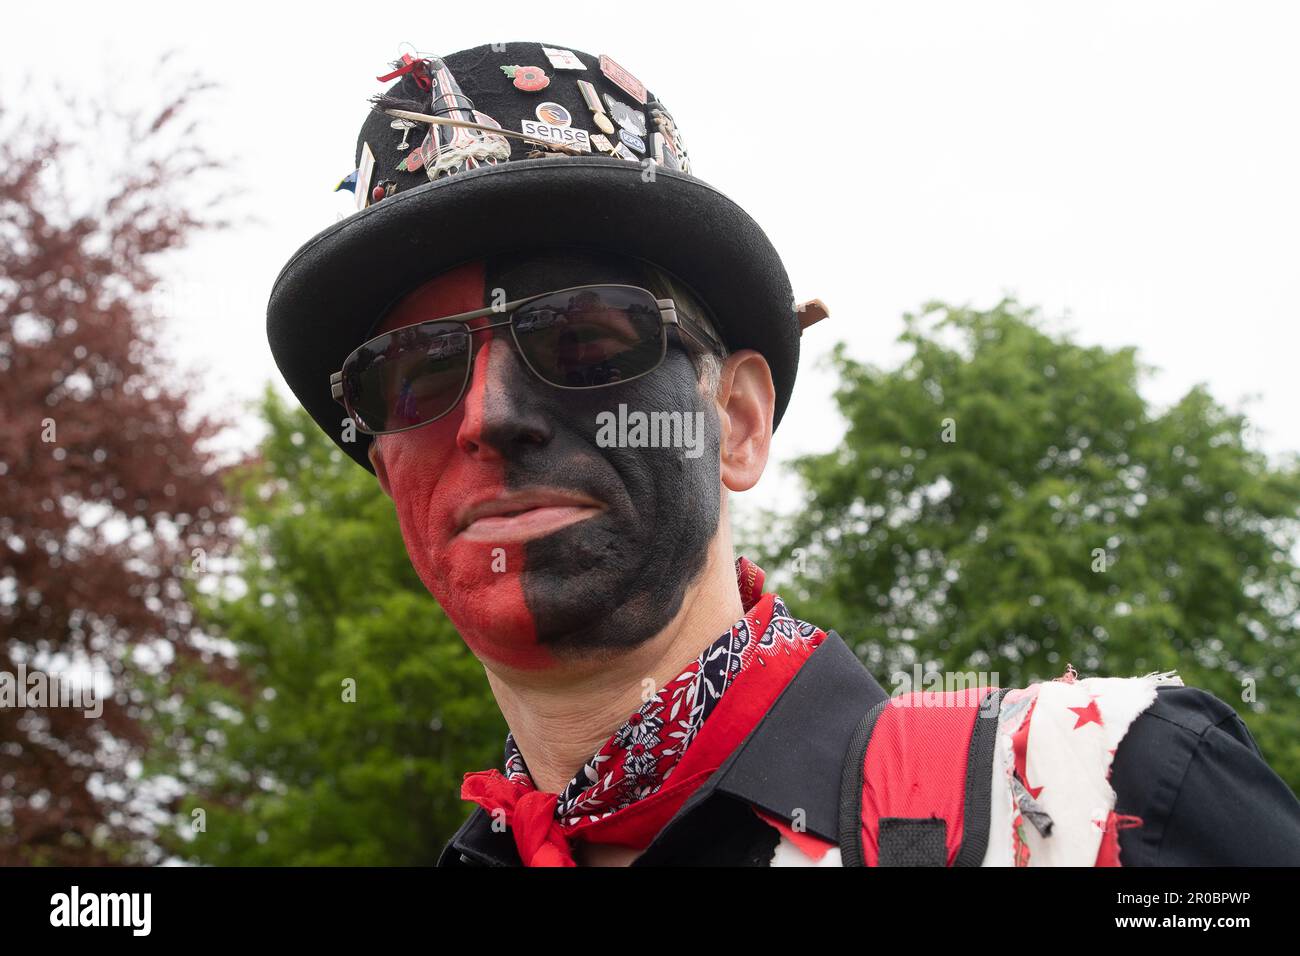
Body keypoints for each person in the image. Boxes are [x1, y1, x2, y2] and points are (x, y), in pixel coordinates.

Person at [267, 41, 1300, 866]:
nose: (486, 415)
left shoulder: (1097, 795)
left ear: (739, 420)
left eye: (584, 337)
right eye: (413, 373)